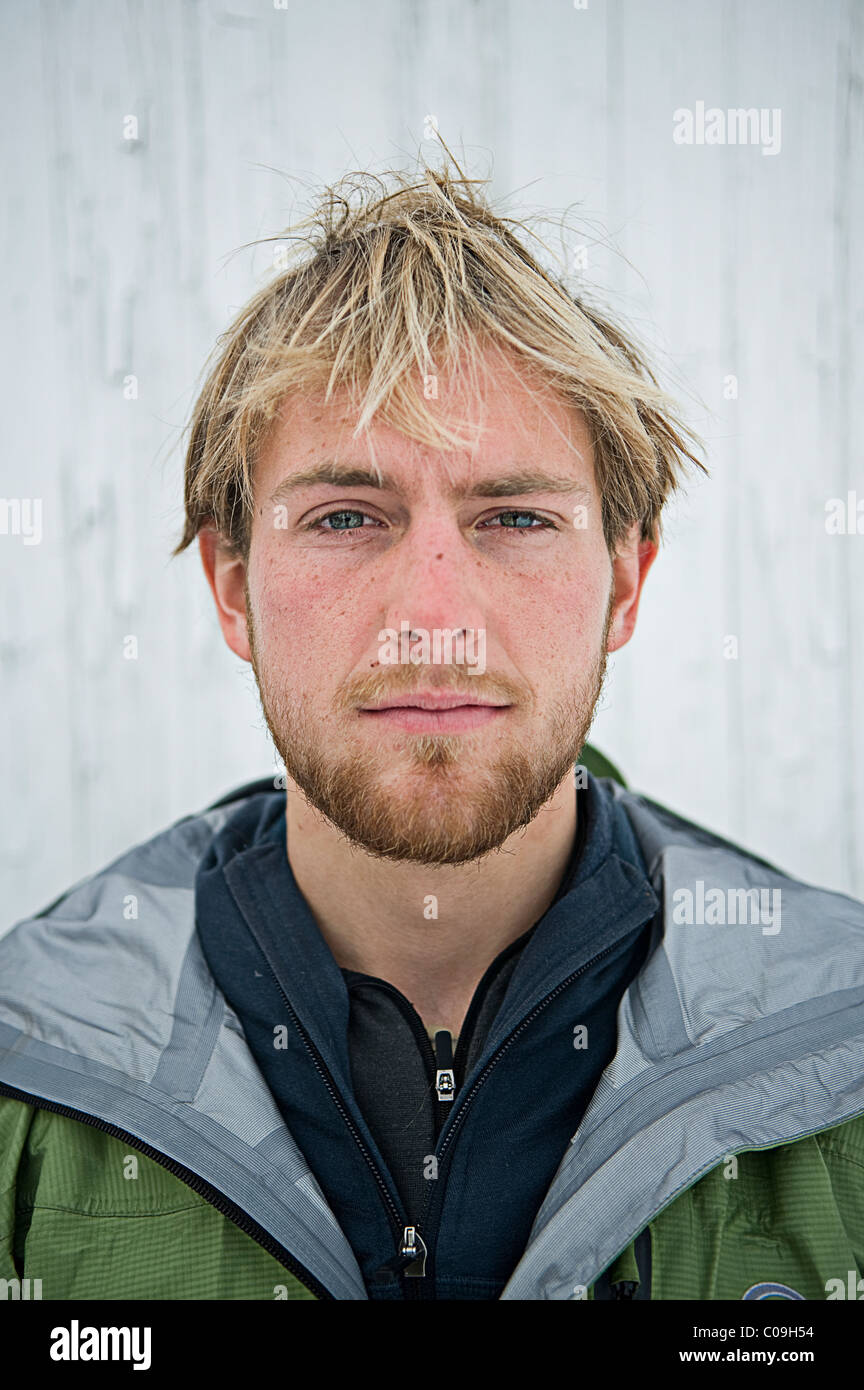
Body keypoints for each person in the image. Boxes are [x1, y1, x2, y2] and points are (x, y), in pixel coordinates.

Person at [2, 157, 863, 1303]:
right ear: (231, 584)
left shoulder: (838, 1056)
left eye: (513, 516)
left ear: (624, 581)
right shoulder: (30, 1075)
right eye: (348, 516)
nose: (434, 620)